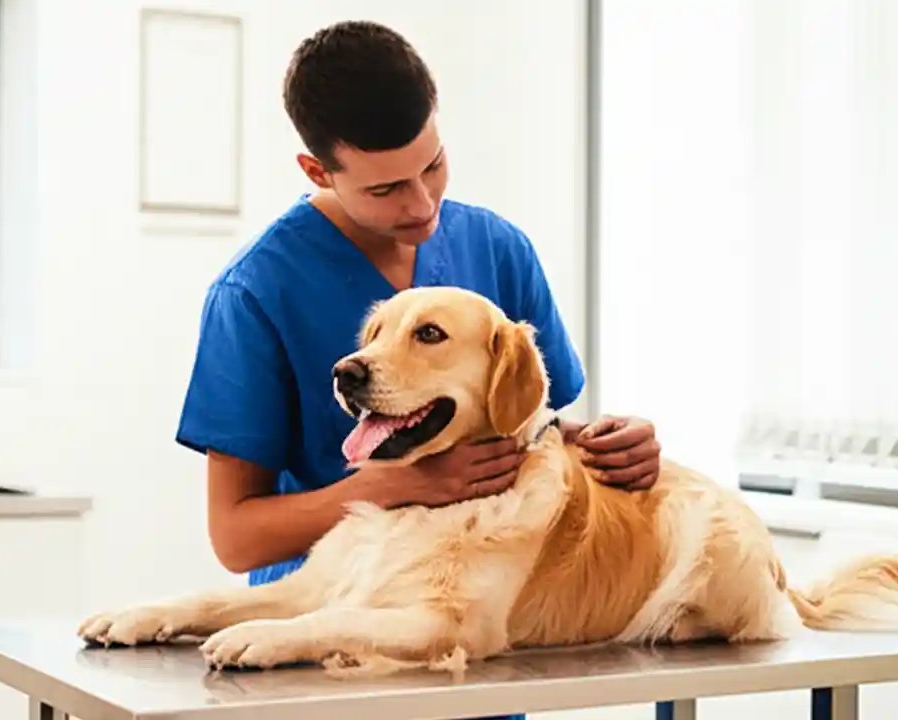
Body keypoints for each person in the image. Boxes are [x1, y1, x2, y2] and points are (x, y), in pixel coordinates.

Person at [174, 20, 661, 720]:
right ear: (318, 172)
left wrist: (613, 445)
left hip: (469, 647)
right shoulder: (256, 292)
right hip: (328, 647)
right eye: (386, 189)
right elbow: (237, 536)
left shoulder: (495, 249)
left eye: (432, 166)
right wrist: (400, 486)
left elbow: (530, 433)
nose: (422, 205)